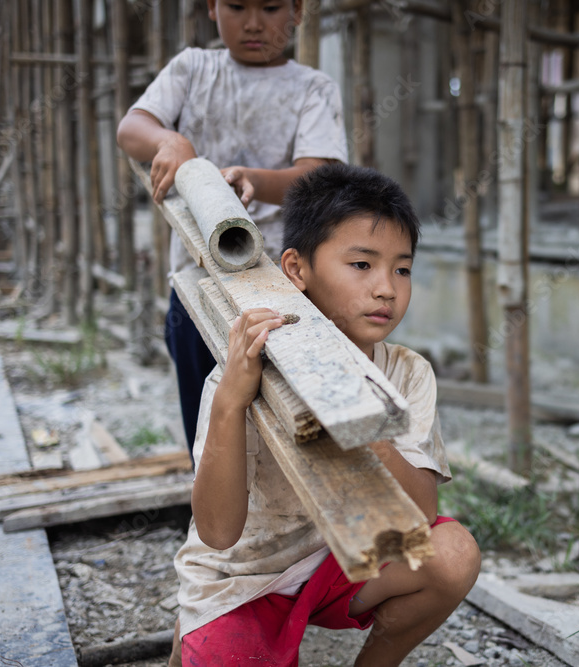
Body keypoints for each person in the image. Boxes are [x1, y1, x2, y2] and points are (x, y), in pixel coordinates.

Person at [170, 164, 481, 666]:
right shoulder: (244, 372)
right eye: (361, 264)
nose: (386, 288)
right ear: (296, 270)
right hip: (244, 578)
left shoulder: (406, 374)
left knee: (454, 553)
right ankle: (205, 633)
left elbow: (421, 514)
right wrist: (231, 400)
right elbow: (219, 533)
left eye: (402, 269)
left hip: (342, 562)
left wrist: (364, 418)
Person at [116, 0, 346, 457]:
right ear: (211, 7)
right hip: (197, 286)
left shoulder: (313, 88)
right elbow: (131, 128)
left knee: (282, 433)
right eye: (237, 6)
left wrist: (254, 179)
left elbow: (317, 175)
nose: (254, 23)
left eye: (271, 7)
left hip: (284, 292)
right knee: (208, 429)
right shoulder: (192, 69)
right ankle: (211, 500)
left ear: (298, 11)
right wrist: (170, 140)